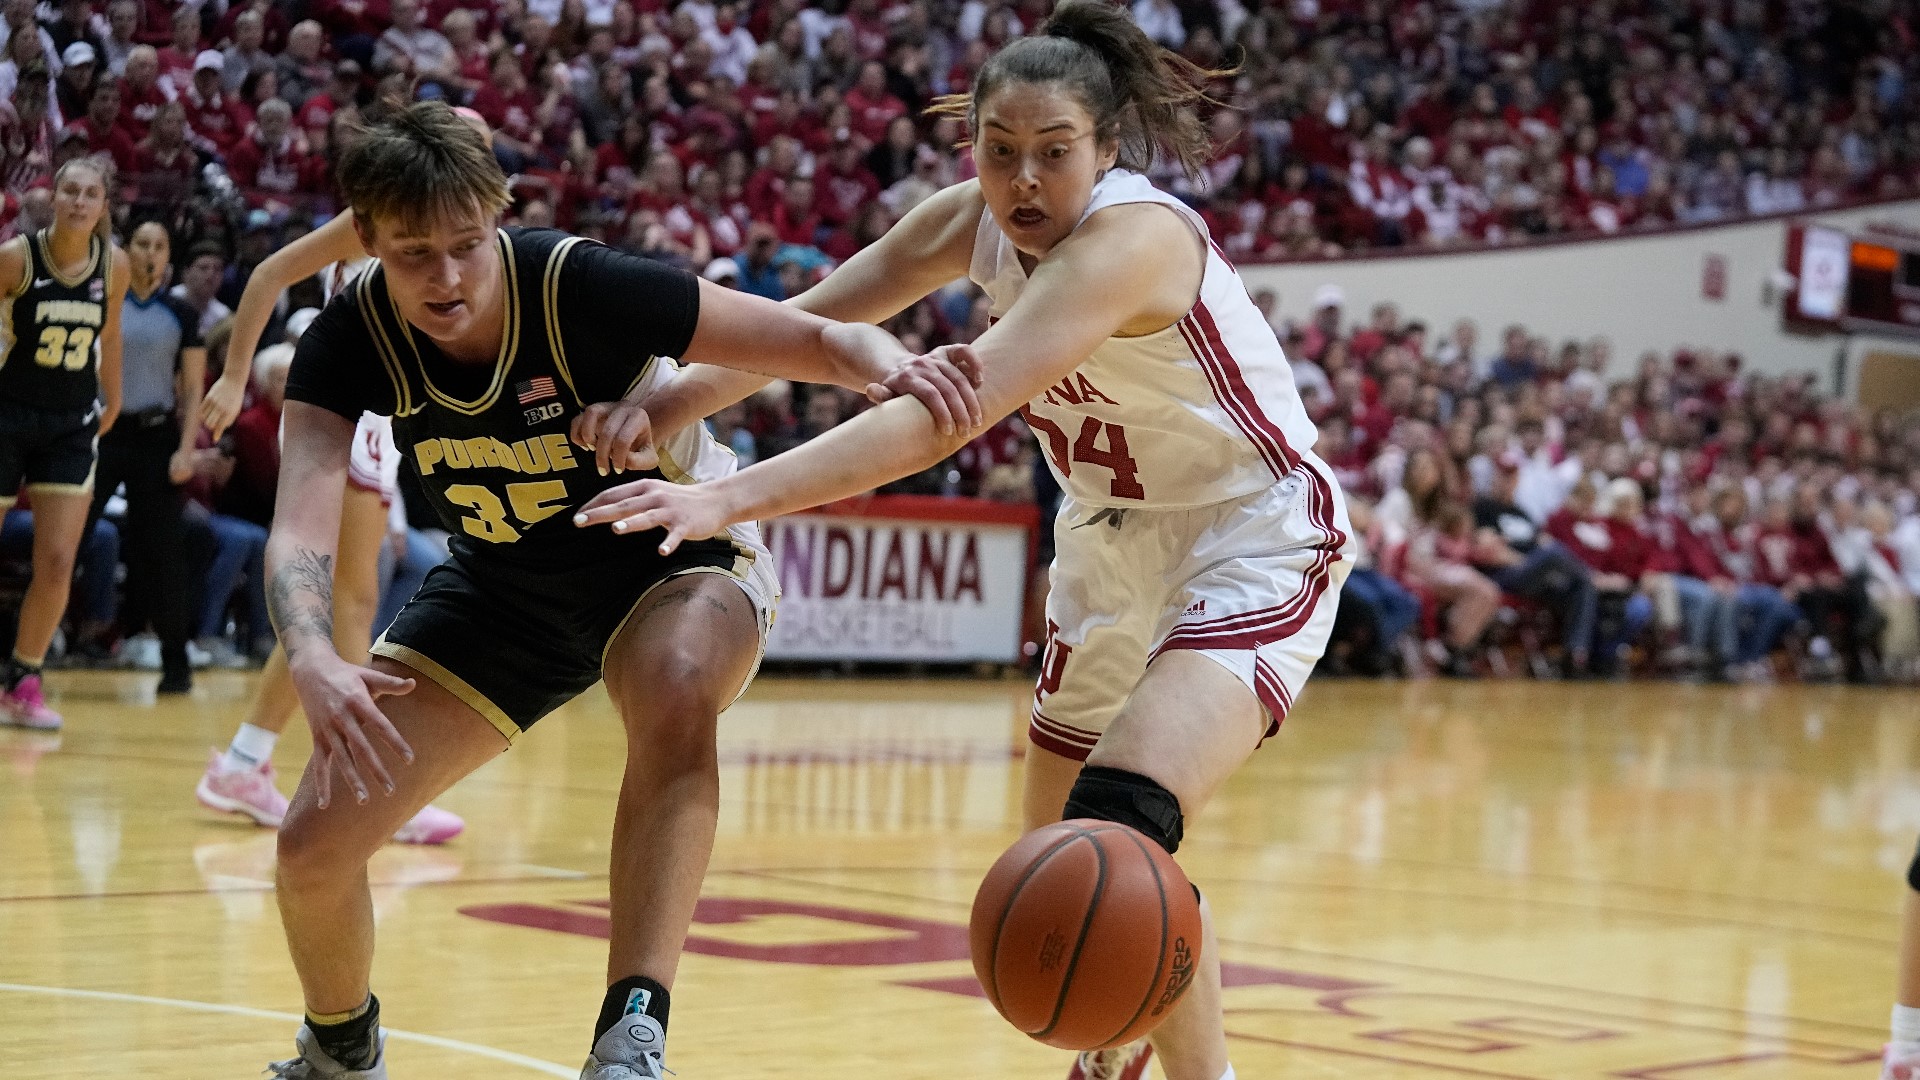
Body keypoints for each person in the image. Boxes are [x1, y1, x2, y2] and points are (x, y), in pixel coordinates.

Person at [574, 6, 1349, 1078]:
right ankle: (1115, 1045)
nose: (1023, 181)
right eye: (1000, 153)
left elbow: (942, 417)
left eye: (1054, 153)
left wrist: (725, 500)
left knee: (1117, 837)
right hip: (1103, 548)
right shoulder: (971, 221)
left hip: (1245, 532)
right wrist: (671, 410)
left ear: (1108, 147)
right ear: (972, 146)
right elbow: (811, 321)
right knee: (1064, 859)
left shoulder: (1134, 241)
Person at [256, 101, 973, 1080]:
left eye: (468, 245)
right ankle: (340, 1049)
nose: (449, 276)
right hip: (501, 590)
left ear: (500, 216)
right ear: (368, 239)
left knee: (676, 682)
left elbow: (822, 340)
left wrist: (899, 369)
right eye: (416, 253)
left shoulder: (578, 284)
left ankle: (629, 1039)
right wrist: (310, 656)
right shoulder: (350, 338)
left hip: (666, 552)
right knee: (311, 850)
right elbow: (299, 518)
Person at [0, 154, 124, 729]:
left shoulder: (113, 264)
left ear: (104, 204)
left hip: (71, 423)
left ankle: (22, 679)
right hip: (8, 413)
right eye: (69, 190)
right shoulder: (15, 259)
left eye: (90, 193)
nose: (78, 201)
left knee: (57, 560)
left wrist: (114, 397)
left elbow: (110, 332)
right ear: (53, 196)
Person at [91, 217, 201, 693]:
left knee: (162, 555)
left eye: (159, 245)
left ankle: (175, 664)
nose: (150, 253)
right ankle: (28, 651)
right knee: (66, 541)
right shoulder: (102, 304)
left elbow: (194, 388)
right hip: (104, 434)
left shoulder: (181, 313)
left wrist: (186, 448)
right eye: (142, 243)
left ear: (167, 257)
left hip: (157, 439)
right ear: (126, 250)